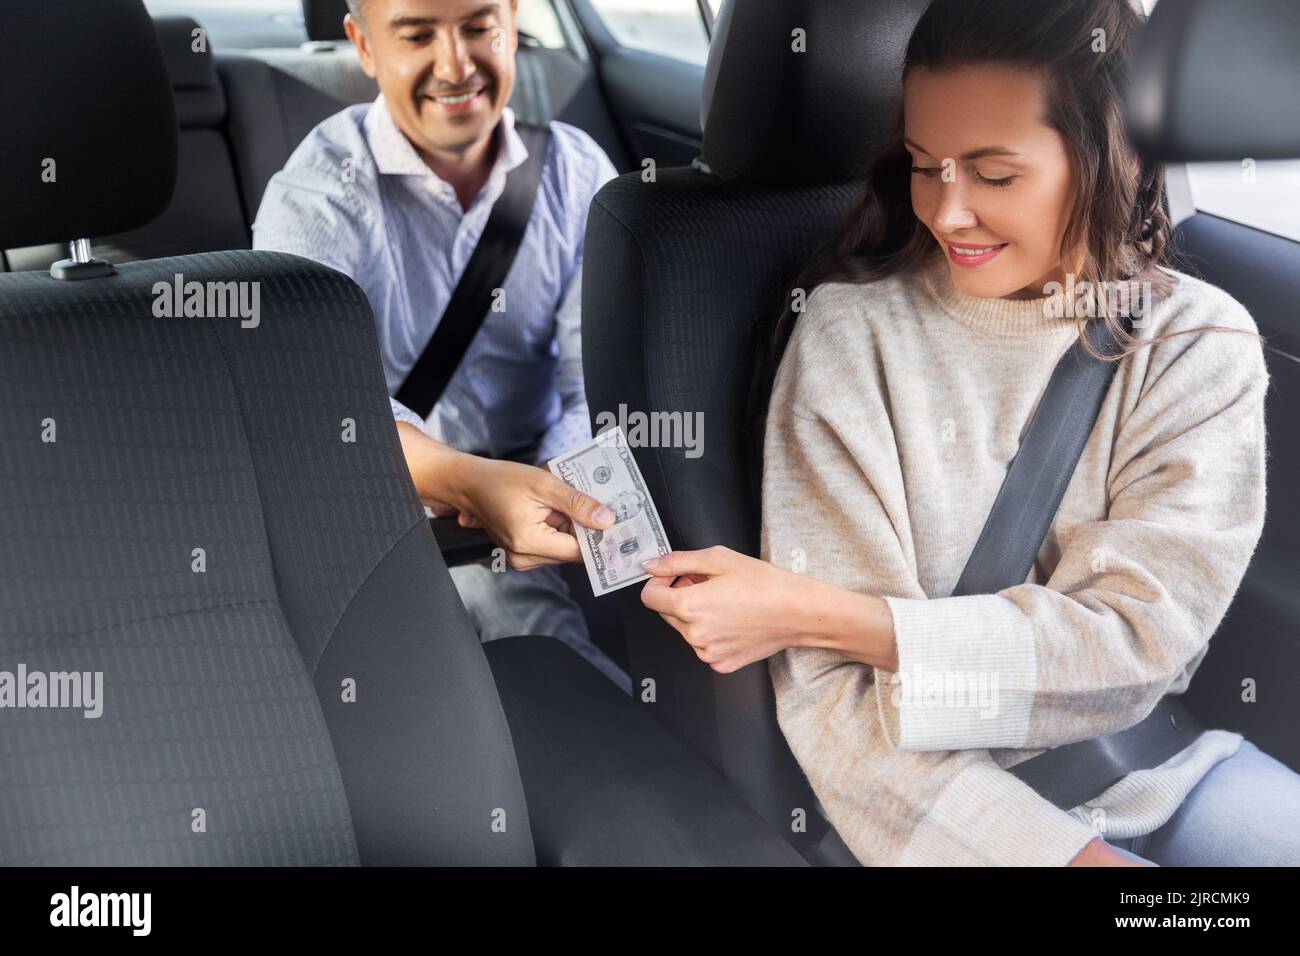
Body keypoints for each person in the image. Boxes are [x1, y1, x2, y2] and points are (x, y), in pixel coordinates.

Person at [639, 0, 1299, 865]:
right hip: (931, 811)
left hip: (1165, 768)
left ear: (1120, 156)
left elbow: (1138, 646)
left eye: (993, 175)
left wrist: (837, 616)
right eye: (924, 166)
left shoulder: (1198, 346)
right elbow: (835, 702)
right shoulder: (851, 337)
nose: (947, 214)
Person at [252, 0, 628, 690]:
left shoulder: (576, 173)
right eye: (418, 34)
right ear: (364, 47)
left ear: (512, 24)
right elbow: (311, 407)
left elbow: (596, 381)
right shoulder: (319, 197)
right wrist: (470, 484)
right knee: (533, 636)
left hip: (554, 476)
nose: (456, 66)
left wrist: (555, 485)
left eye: (479, 26)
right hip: (392, 502)